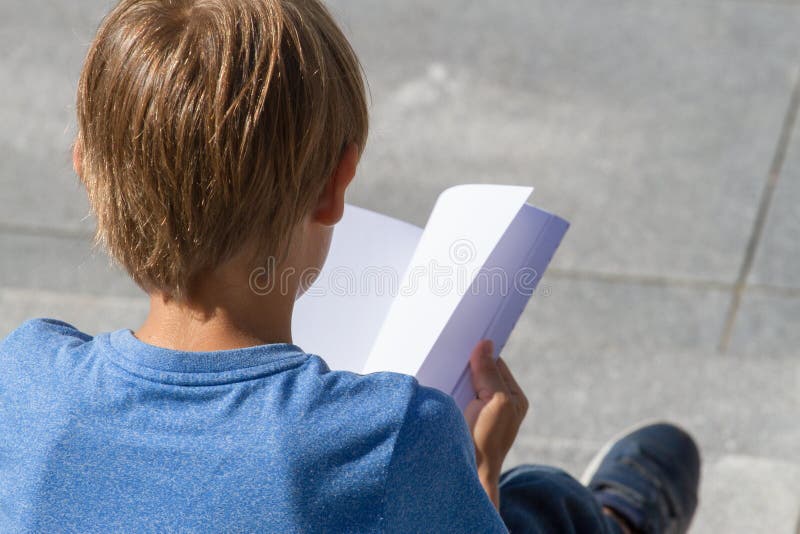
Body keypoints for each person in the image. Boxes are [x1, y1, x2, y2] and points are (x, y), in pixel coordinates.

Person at [0, 0, 700, 532]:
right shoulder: (395, 432)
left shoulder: (24, 380)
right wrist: (474, 475)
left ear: (87, 171)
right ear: (338, 182)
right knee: (538, 501)